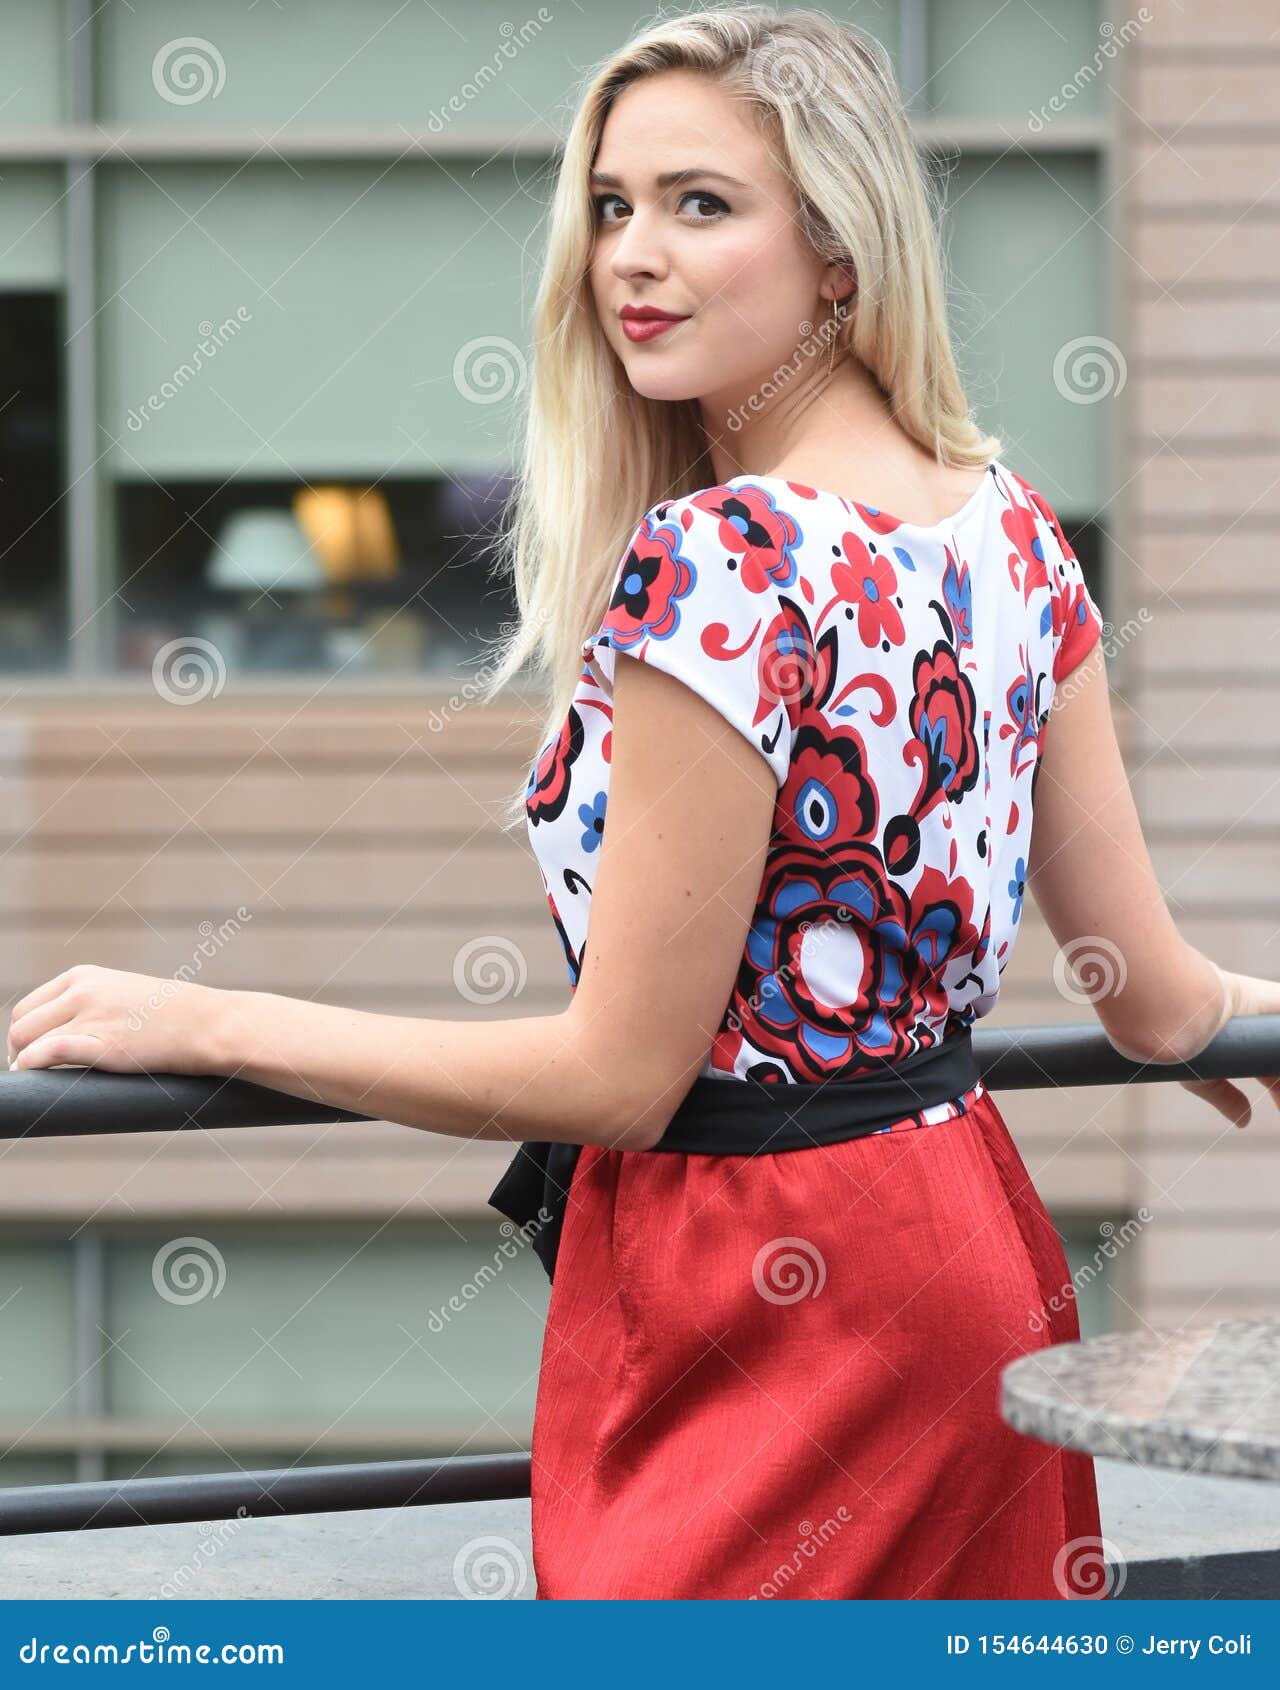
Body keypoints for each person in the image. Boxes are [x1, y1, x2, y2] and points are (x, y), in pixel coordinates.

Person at [7, 3, 1278, 1601]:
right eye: (613, 206)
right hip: (969, 1242)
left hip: (769, 1293)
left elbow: (617, 1073)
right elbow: (1152, 1000)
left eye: (702, 204)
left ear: (839, 252)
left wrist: (210, 1022)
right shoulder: (1012, 529)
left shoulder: (729, 561)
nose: (633, 256)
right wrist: (1253, 1015)